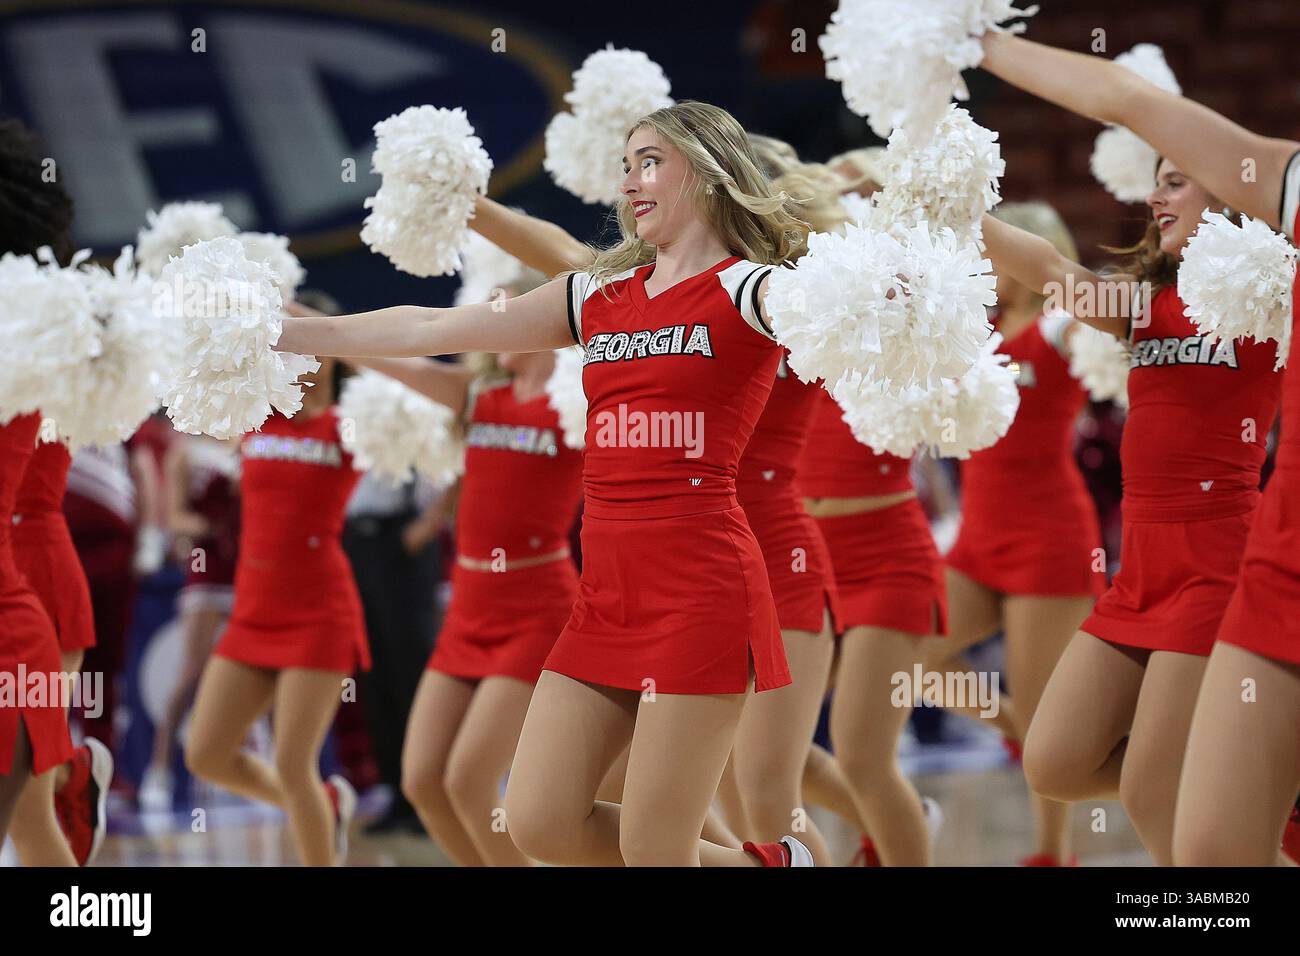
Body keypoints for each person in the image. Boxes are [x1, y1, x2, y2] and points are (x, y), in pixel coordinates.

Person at [276, 101, 815, 866]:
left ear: (707, 168)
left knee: (656, 851)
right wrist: (292, 333)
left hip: (704, 592)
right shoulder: (595, 294)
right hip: (606, 596)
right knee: (536, 823)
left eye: (650, 162)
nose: (630, 182)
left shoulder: (755, 291)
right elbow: (431, 330)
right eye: (625, 167)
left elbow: (871, 316)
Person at [978, 28, 1300, 866]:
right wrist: (951, 209)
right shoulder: (1140, 304)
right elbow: (1046, 265)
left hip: (1220, 564)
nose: (1159, 198)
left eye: (1178, 181)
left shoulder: (1265, 297)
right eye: (1154, 183)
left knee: (1157, 795)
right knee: (1053, 763)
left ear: (1229, 201)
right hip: (1139, 569)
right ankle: (1260, 788)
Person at [930, 202, 1106, 866]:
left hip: (1050, 538)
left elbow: (1098, 330)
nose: (984, 265)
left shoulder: (1060, 327)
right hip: (978, 537)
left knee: (1044, 709)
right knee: (911, 654)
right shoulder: (980, 328)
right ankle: (1009, 728)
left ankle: (1054, 853)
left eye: (996, 254)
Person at [184, 355, 365, 866]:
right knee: (207, 754)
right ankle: (322, 806)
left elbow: (395, 394)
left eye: (317, 349)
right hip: (254, 608)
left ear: (335, 360)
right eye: (292, 349)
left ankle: (318, 830)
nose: (304, 361)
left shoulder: (350, 424)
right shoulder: (256, 413)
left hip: (320, 610)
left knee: (292, 762)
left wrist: (343, 339)